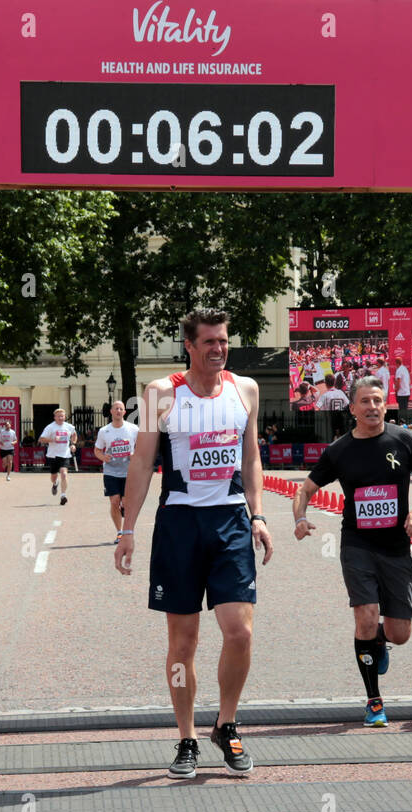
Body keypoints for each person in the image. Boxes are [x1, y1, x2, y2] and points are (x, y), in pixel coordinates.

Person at [114, 308, 273, 779]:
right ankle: (186, 737)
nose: (218, 349)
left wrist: (258, 515)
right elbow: (142, 464)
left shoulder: (246, 389)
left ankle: (226, 724)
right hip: (179, 527)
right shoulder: (161, 394)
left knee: (239, 632)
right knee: (183, 643)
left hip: (229, 524)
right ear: (190, 345)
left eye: (223, 340)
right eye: (209, 342)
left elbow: (251, 457)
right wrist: (127, 529)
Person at [292, 377, 412, 727]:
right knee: (365, 614)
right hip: (357, 545)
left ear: (386, 405)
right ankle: (374, 700)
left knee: (399, 634)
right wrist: (300, 518)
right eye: (365, 401)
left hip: (395, 548)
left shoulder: (402, 439)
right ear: (352, 408)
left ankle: (379, 639)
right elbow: (306, 489)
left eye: (377, 400)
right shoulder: (340, 450)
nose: (372, 407)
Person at [94, 400, 139, 543]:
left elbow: (142, 447)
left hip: (128, 471)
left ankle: (126, 529)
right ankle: (119, 532)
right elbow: (97, 450)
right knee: (114, 501)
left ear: (125, 412)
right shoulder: (104, 431)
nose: (118, 411)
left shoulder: (133, 429)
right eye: (116, 408)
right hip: (111, 471)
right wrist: (103, 457)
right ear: (111, 412)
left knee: (125, 502)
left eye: (121, 409)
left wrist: (135, 455)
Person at [38, 409, 77, 505]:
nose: (60, 418)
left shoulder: (69, 427)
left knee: (64, 474)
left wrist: (73, 444)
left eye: (62, 416)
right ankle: (55, 484)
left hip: (65, 454)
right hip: (53, 455)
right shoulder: (50, 427)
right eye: (58, 416)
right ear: (54, 417)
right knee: (53, 476)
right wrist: (52, 439)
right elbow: (41, 439)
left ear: (65, 417)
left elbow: (74, 435)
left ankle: (63, 495)